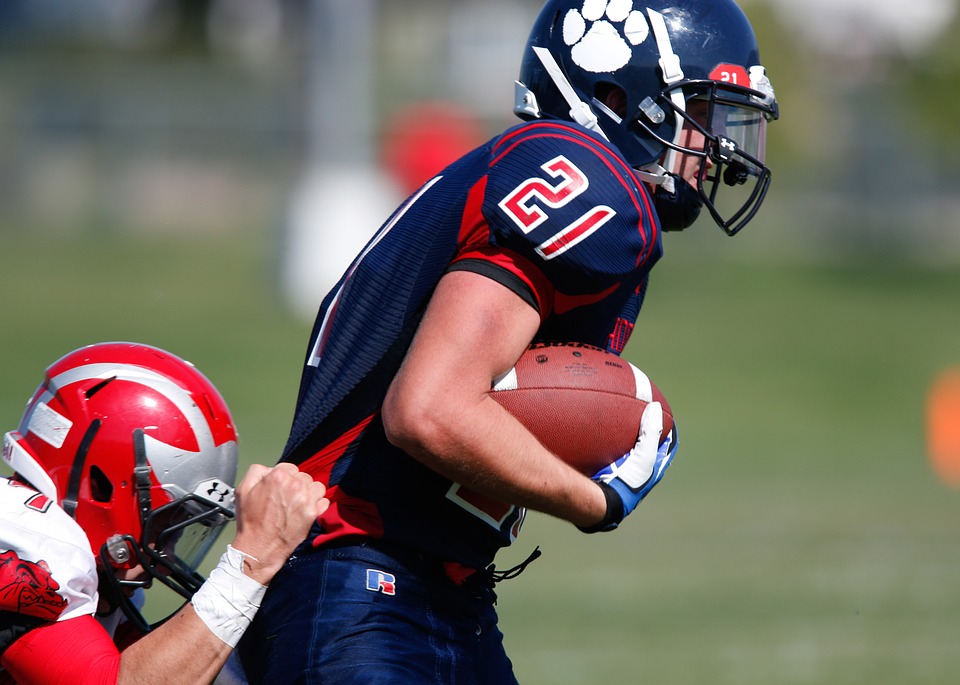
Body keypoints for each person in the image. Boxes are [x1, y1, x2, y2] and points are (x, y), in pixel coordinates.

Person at [239, 0, 779, 682]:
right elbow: (428, 410)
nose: (718, 148)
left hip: (431, 587)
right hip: (364, 578)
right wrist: (597, 500)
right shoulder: (589, 180)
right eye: (702, 114)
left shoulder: (555, 177)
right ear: (618, 94)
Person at [0, 342, 329, 685]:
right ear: (100, 487)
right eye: (167, 526)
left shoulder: (96, 586)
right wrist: (254, 559)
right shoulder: (33, 548)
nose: (165, 555)